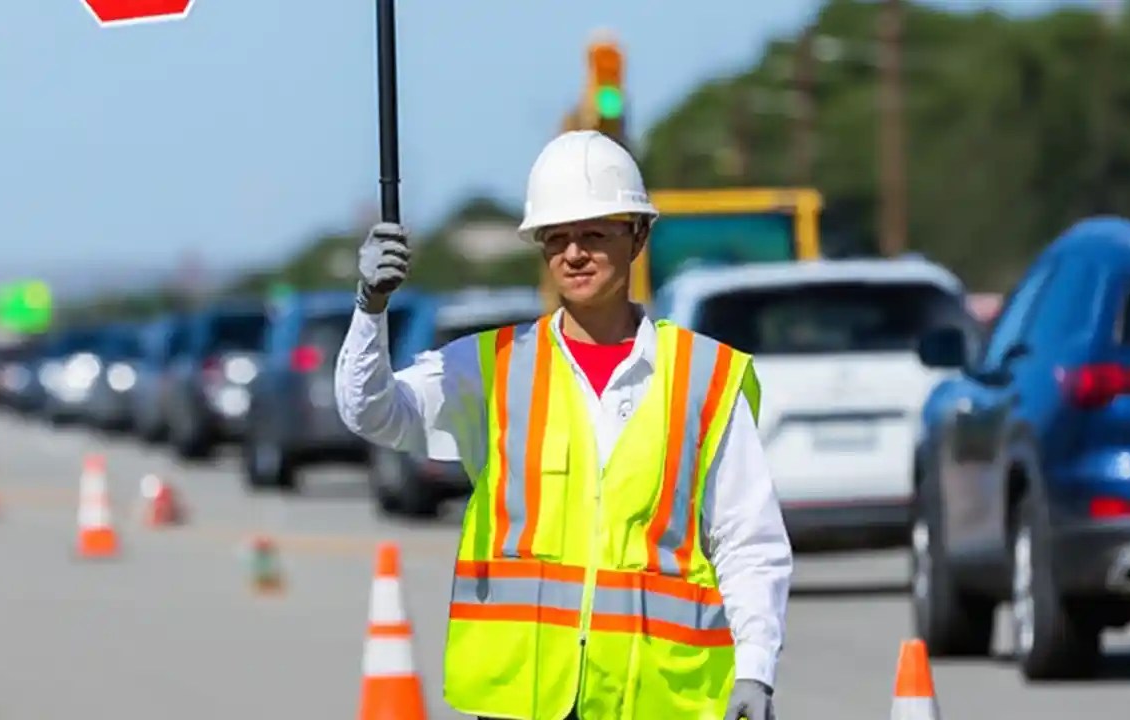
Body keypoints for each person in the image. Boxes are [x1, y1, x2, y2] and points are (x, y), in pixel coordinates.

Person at [336, 130, 792, 720]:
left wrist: (755, 670)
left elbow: (749, 542)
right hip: (522, 702)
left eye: (593, 234)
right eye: (557, 238)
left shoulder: (704, 377)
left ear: (638, 236)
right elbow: (370, 410)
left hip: (658, 701)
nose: (573, 254)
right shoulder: (491, 368)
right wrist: (370, 306)